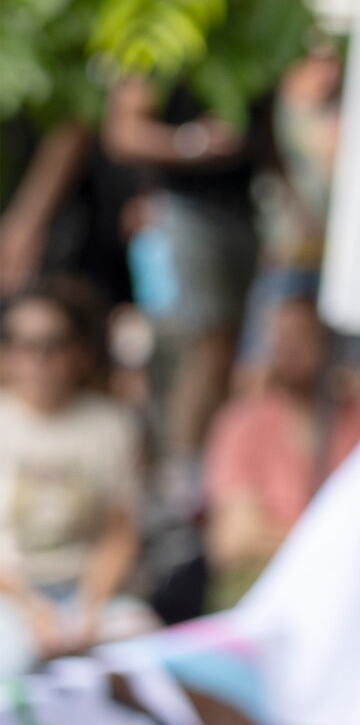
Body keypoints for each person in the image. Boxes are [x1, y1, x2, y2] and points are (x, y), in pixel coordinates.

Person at [102, 77, 265, 475]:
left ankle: (206, 470)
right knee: (196, 346)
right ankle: (180, 478)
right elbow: (122, 133)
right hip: (182, 215)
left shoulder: (257, 41)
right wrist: (193, 143)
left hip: (241, 213)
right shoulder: (162, 45)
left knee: (227, 351)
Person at [202, 276, 360, 602]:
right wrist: (333, 543)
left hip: (353, 588)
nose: (287, 350)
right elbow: (235, 539)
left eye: (301, 337)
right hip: (268, 588)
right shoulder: (242, 423)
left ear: (330, 345)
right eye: (280, 338)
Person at [0, 277, 149, 672]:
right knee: (12, 659)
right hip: (10, 596)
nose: (39, 360)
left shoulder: (112, 424)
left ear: (79, 352)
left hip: (87, 591)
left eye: (53, 345)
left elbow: (121, 529)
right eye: (24, 345)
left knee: (143, 651)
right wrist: (31, 609)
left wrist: (90, 605)